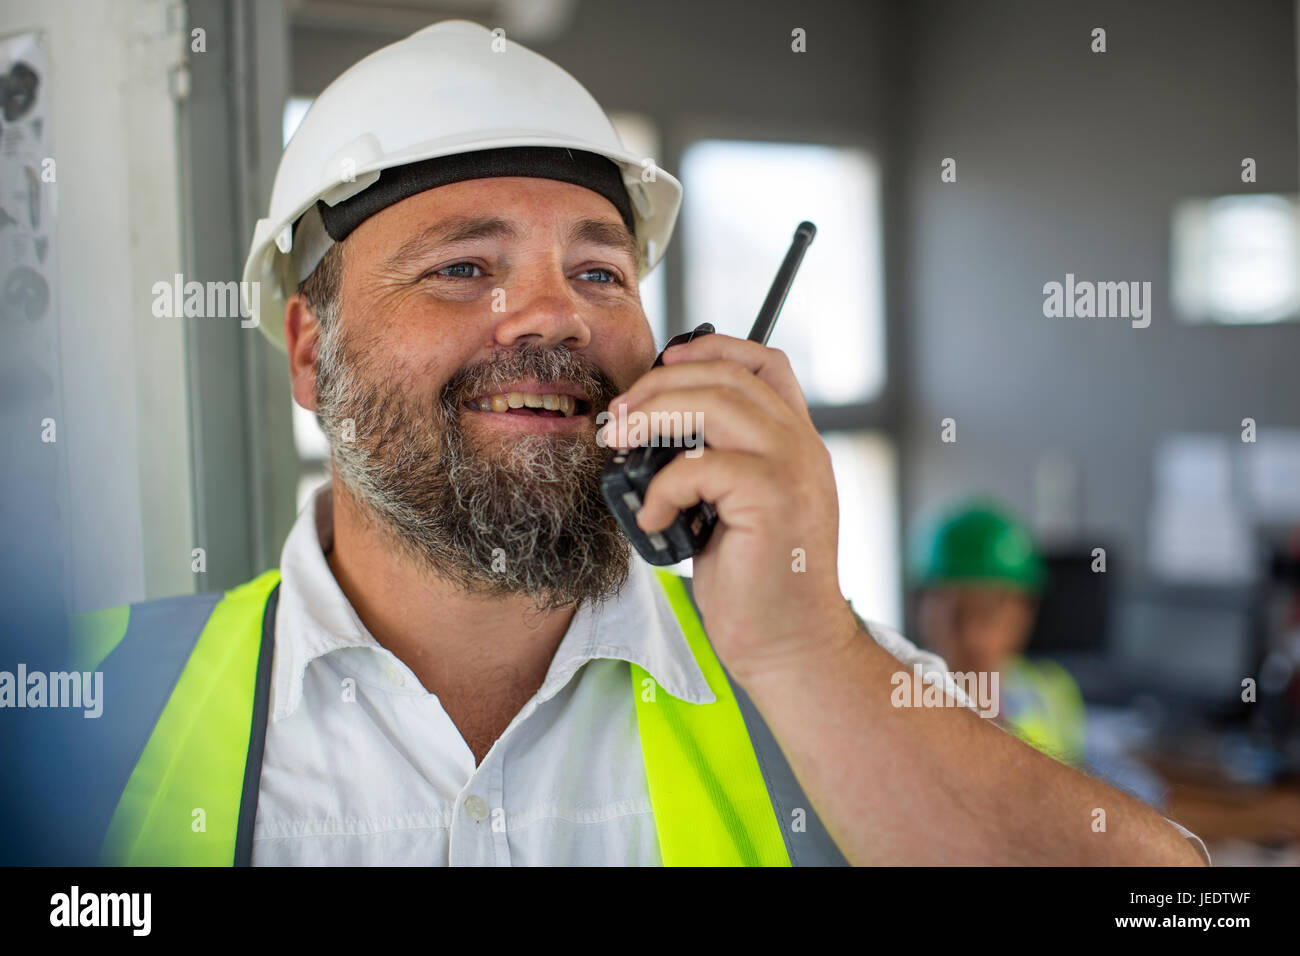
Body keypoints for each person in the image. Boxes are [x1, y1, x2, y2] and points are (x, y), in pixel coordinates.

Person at [60, 20, 1207, 866]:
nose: (555, 315)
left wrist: (806, 653)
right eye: (465, 265)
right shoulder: (86, 709)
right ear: (311, 352)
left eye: (599, 270)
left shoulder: (825, 687)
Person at [911, 500, 1087, 766]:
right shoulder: (897, 697)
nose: (973, 636)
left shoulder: (1052, 692)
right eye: (955, 617)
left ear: (1026, 612)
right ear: (922, 611)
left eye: (987, 612)